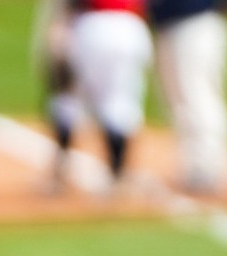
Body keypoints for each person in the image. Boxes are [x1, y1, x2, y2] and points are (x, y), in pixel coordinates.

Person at [34, 0, 153, 194]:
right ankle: (117, 175)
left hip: (92, 26)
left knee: (69, 96)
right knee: (120, 101)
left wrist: (59, 32)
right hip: (132, 27)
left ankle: (59, 173)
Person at [150, 0, 227, 196]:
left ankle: (209, 170)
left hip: (195, 24)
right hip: (171, 24)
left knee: (197, 96)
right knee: (180, 99)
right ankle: (193, 167)